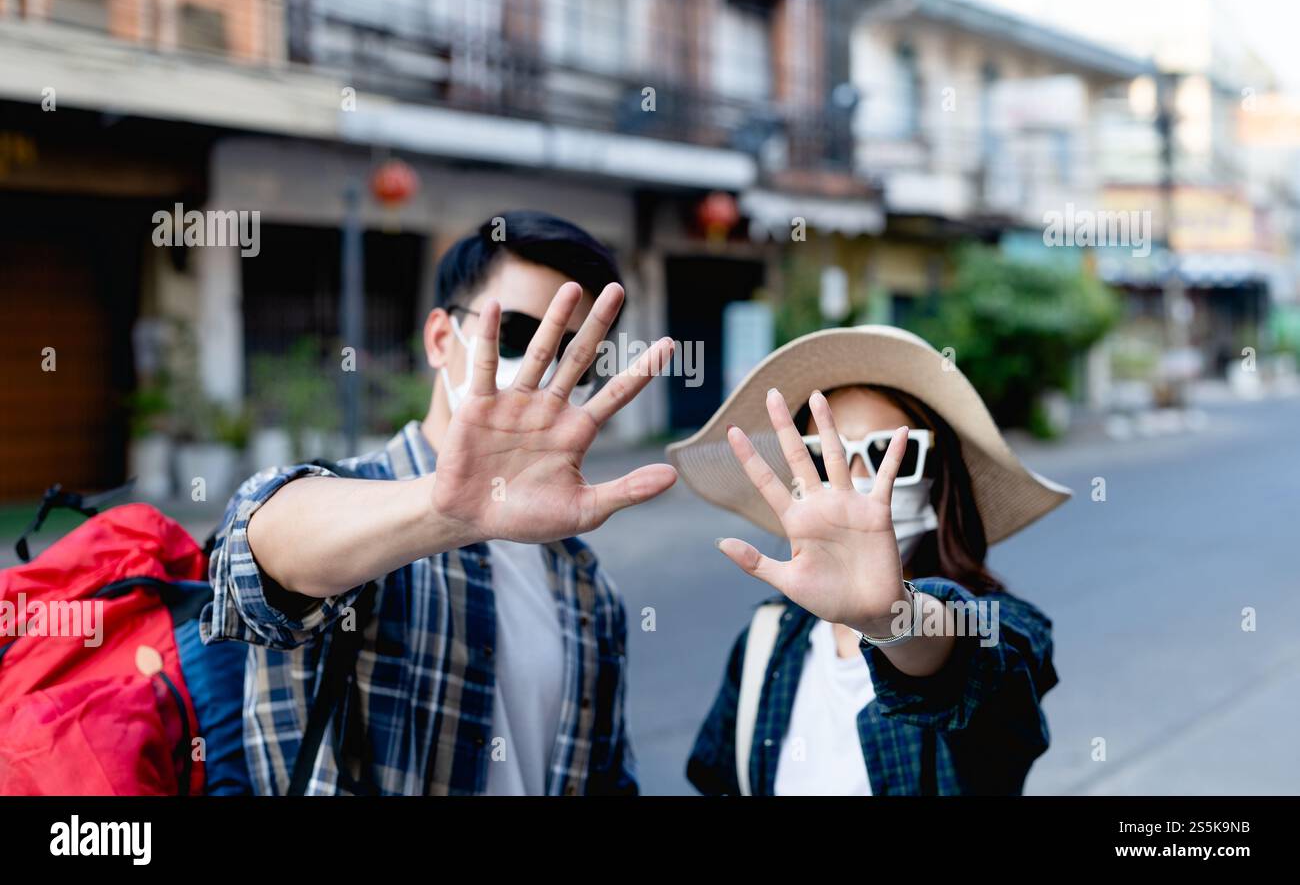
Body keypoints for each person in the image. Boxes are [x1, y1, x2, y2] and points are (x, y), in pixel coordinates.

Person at [200, 211, 678, 795]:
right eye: (517, 335)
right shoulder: (351, 503)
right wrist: (445, 511)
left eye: (577, 353)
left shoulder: (588, 588)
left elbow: (607, 780)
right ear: (438, 338)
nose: (545, 366)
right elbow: (249, 558)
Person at [670, 325, 1069, 795]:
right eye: (824, 457)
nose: (854, 483)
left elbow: (980, 665)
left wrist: (891, 619)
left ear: (939, 478)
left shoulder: (1002, 629)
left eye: (887, 456)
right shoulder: (765, 643)